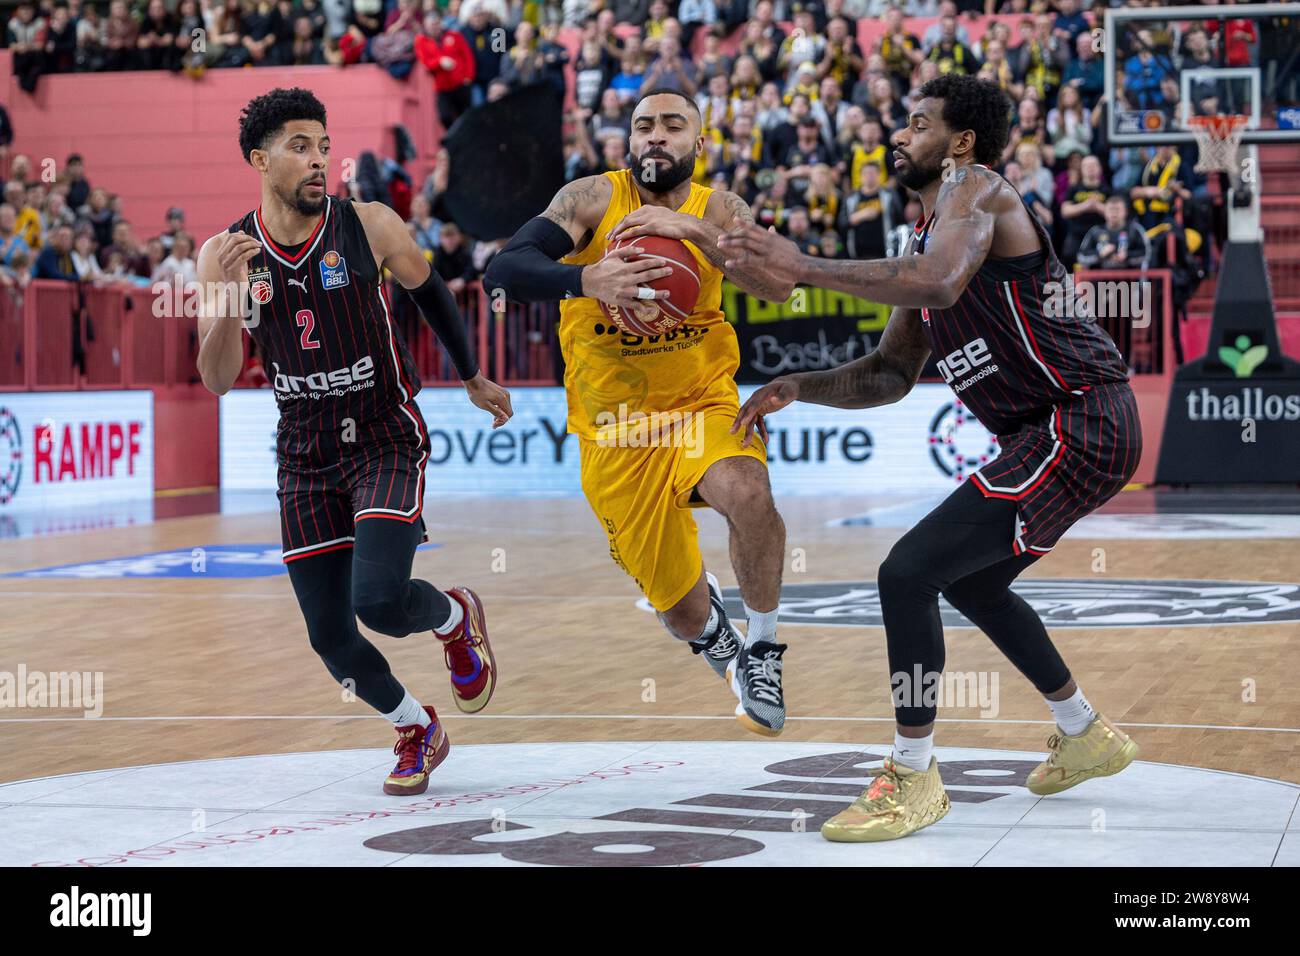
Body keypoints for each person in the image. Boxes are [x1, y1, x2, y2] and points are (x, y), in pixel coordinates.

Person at [721, 75, 1142, 842]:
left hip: (1080, 417)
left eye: (917, 123)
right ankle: (1085, 732)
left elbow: (945, 285)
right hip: (1045, 430)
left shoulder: (977, 191)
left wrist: (804, 264)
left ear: (960, 141)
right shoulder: (920, 241)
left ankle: (912, 776)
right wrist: (798, 386)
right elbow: (887, 374)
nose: (899, 135)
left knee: (906, 573)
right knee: (973, 586)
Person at [194, 88, 514, 796]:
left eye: (323, 146)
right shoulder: (222, 253)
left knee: (379, 600)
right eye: (299, 147)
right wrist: (228, 302)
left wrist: (472, 376)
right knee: (330, 638)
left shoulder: (367, 224)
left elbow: (429, 292)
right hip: (303, 455)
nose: (318, 161)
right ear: (259, 158)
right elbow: (216, 379)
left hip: (382, 436)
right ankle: (415, 727)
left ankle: (456, 616)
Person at [484, 88, 792, 737]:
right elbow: (503, 271)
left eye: (672, 125)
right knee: (682, 613)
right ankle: (715, 637)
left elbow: (780, 286)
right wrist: (584, 279)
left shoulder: (721, 209)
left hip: (699, 402)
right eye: (643, 125)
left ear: (698, 145)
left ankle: (762, 650)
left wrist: (696, 234)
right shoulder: (592, 199)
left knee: (749, 491)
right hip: (615, 433)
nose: (655, 136)